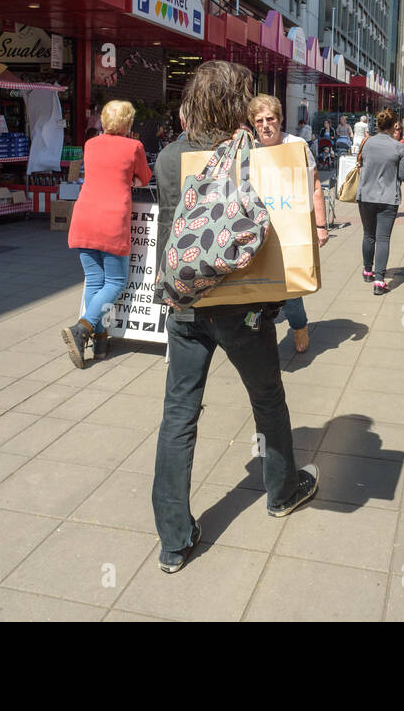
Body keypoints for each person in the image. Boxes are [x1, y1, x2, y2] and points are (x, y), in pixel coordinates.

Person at [152, 61, 318, 574]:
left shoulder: (170, 157)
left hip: (188, 304)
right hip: (244, 303)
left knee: (179, 411)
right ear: (240, 101)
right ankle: (282, 490)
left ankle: (175, 540)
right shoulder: (257, 155)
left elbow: (169, 234)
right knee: (267, 398)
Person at [61, 99, 152, 369]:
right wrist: (133, 179)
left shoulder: (90, 145)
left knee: (94, 280)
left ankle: (99, 339)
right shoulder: (134, 146)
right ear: (128, 123)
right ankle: (82, 328)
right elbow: (144, 177)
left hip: (85, 216)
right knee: (115, 282)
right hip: (112, 219)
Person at [249, 94, 329, 354]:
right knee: (256, 285)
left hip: (289, 226)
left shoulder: (296, 145)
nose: (265, 124)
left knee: (290, 285)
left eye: (270, 118)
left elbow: (315, 184)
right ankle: (255, 335)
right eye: (259, 120)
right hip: (256, 229)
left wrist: (320, 225)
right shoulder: (248, 148)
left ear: (280, 119)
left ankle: (299, 326)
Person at [357, 108, 404, 295]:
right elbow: (403, 176)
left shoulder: (367, 143)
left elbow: (363, 164)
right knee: (383, 238)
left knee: (368, 235)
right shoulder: (399, 147)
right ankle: (379, 281)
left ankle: (367, 270)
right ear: (394, 125)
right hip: (388, 197)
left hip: (366, 195)